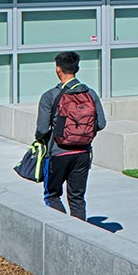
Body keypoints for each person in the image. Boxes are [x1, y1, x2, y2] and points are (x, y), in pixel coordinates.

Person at [36, 50, 106, 219]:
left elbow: (42, 130)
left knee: (52, 196)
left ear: (58, 69)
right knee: (77, 198)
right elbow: (101, 124)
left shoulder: (50, 96)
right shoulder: (90, 94)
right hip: (83, 153)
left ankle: (61, 234)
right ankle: (80, 236)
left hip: (58, 153)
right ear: (77, 68)